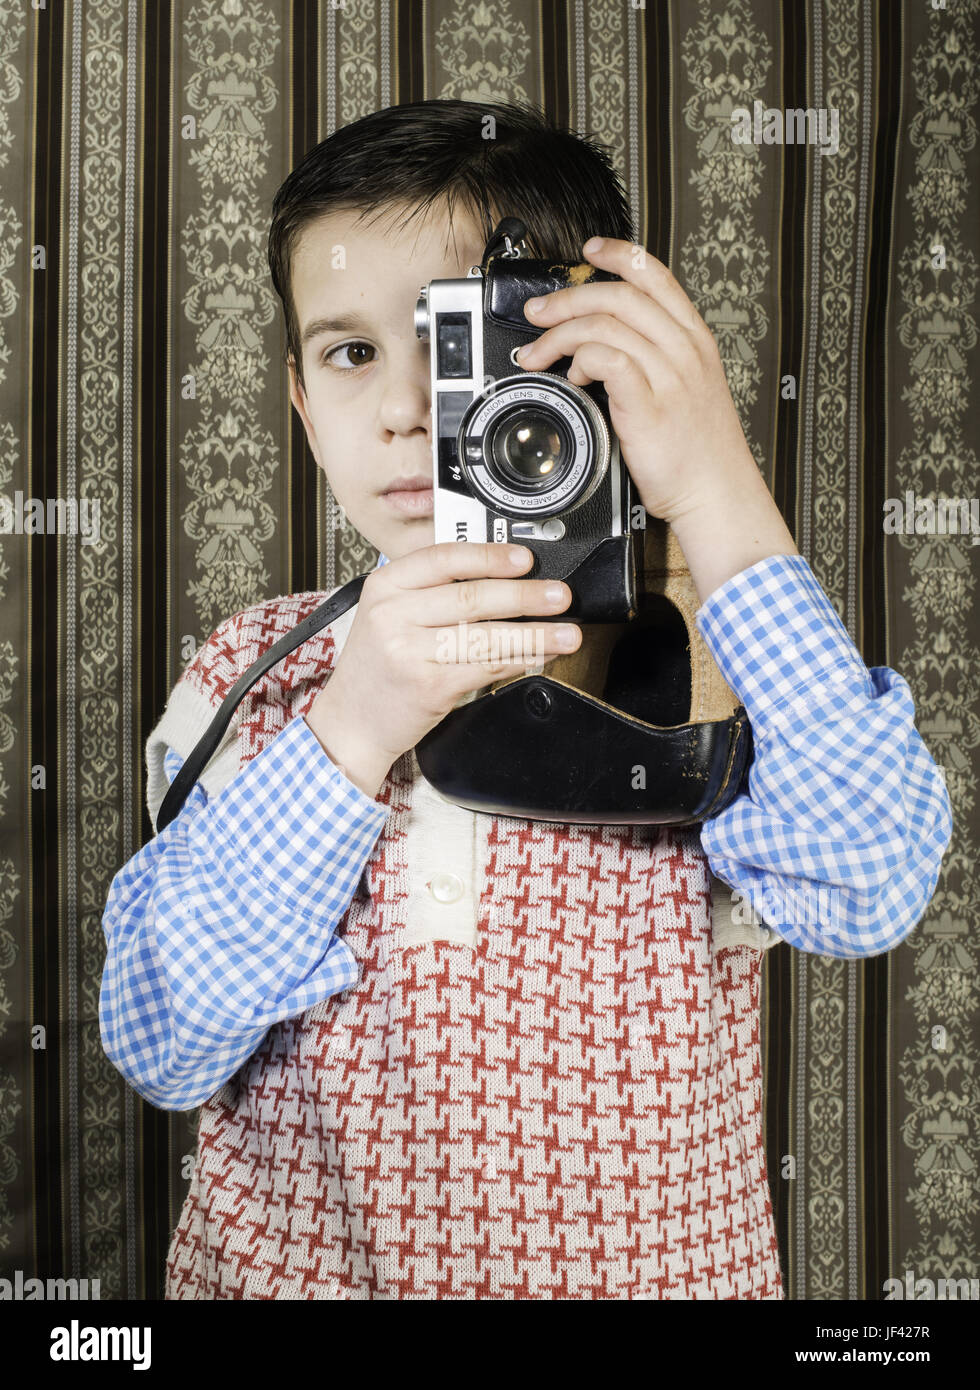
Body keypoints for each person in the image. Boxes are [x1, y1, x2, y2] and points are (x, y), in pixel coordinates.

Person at [99, 99, 952, 1300]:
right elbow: (164, 1040)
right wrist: (349, 729)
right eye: (351, 354)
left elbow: (865, 882)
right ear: (301, 404)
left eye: (454, 349)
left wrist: (714, 491)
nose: (402, 408)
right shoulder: (263, 670)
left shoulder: (709, 643)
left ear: (588, 357)